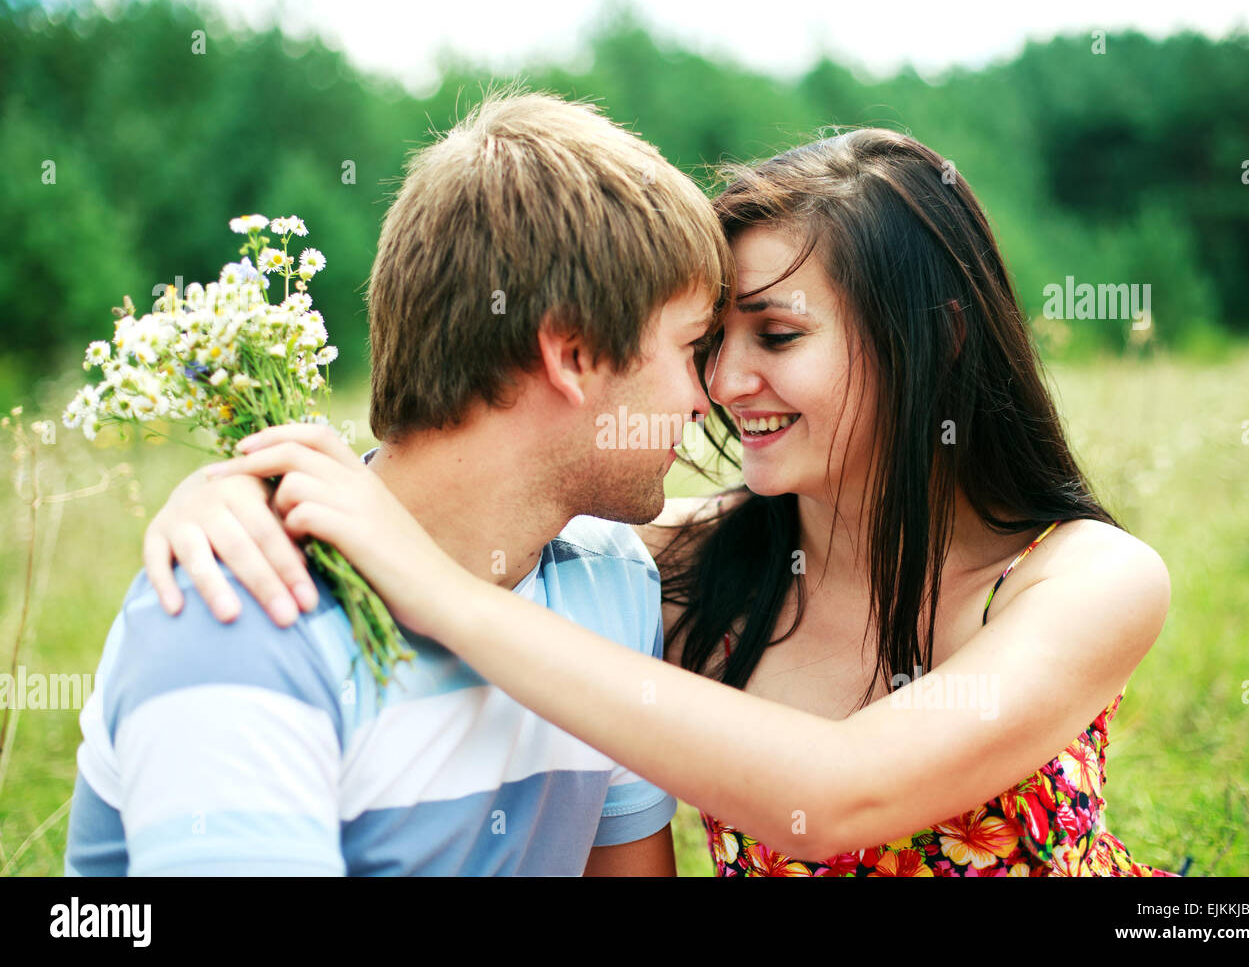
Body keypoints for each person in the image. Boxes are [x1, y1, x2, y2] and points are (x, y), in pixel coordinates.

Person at [145, 129, 1175, 876]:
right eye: (708, 342)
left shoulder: (1080, 578)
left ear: (938, 338)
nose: (724, 383)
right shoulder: (674, 566)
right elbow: (479, 504)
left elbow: (844, 792)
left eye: (775, 336)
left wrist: (433, 592)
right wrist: (235, 489)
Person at [63, 88, 735, 876]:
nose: (707, 395)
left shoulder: (611, 579)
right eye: (692, 347)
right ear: (575, 353)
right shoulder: (237, 613)